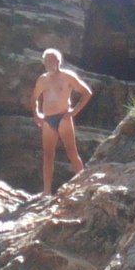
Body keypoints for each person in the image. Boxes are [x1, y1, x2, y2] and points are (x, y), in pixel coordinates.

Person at [31, 48, 93, 195]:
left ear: (58, 61)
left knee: (71, 152)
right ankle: (46, 191)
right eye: (46, 60)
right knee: (48, 155)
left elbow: (87, 93)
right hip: (47, 119)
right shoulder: (42, 79)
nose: (48, 63)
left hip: (63, 117)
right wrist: (36, 114)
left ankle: (83, 186)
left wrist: (74, 111)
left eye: (51, 60)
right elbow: (34, 98)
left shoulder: (67, 77)